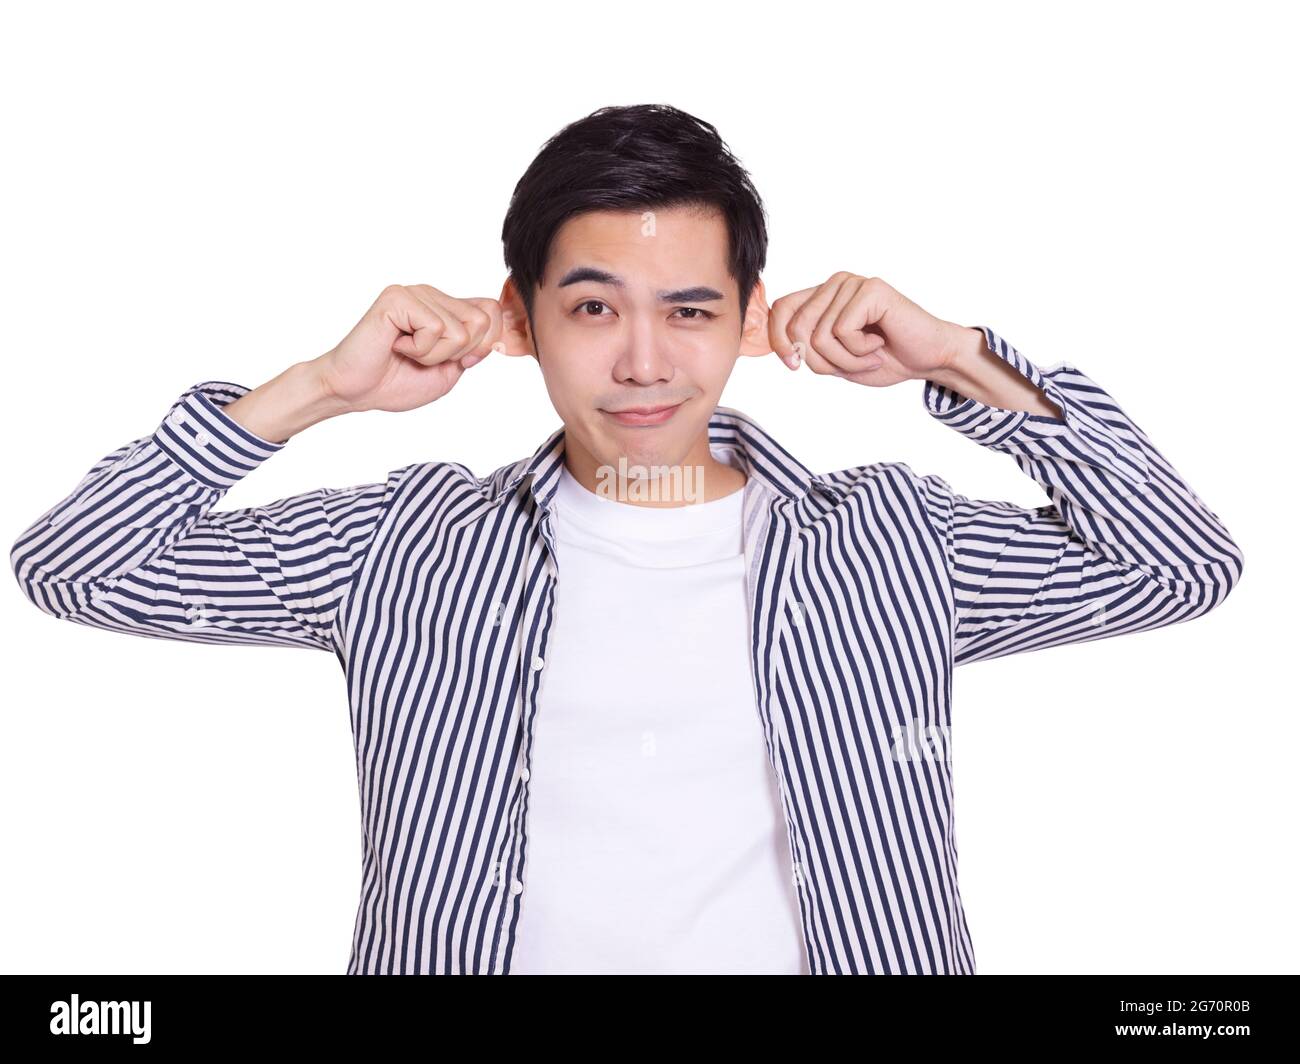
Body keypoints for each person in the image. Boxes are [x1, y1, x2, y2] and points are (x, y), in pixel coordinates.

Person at [9, 103, 1244, 975]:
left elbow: (1180, 562)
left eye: (689, 311)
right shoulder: (406, 544)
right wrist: (318, 388)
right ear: (518, 320)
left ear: (751, 320)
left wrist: (960, 359)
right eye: (592, 307)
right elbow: (76, 563)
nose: (644, 361)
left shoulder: (887, 544)